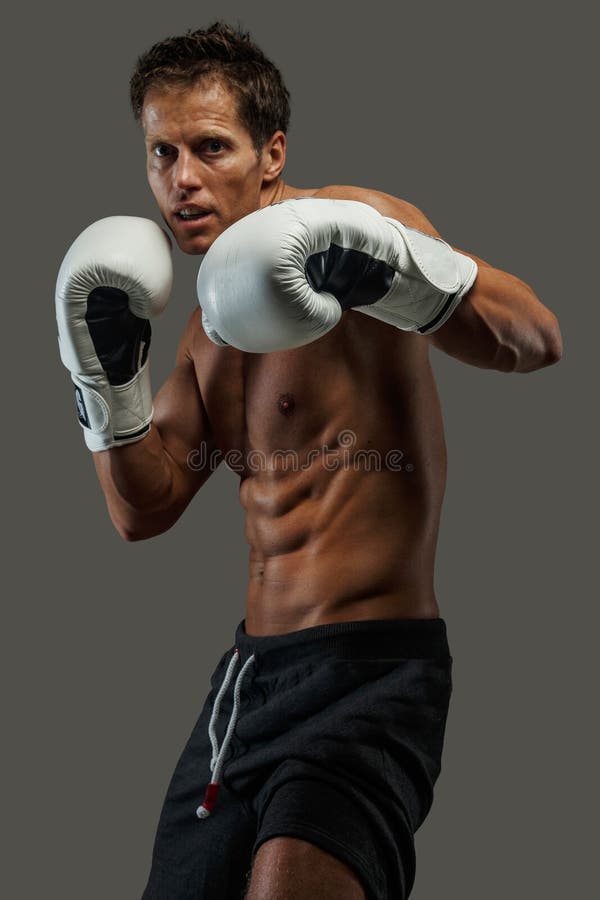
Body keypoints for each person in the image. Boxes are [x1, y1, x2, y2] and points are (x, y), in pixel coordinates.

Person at [55, 22, 562, 900]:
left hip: (370, 671)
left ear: (270, 151)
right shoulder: (203, 326)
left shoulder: (353, 227)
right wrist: (106, 383)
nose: (182, 179)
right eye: (161, 153)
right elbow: (145, 507)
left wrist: (396, 272)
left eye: (210, 147)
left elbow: (535, 338)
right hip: (250, 682)